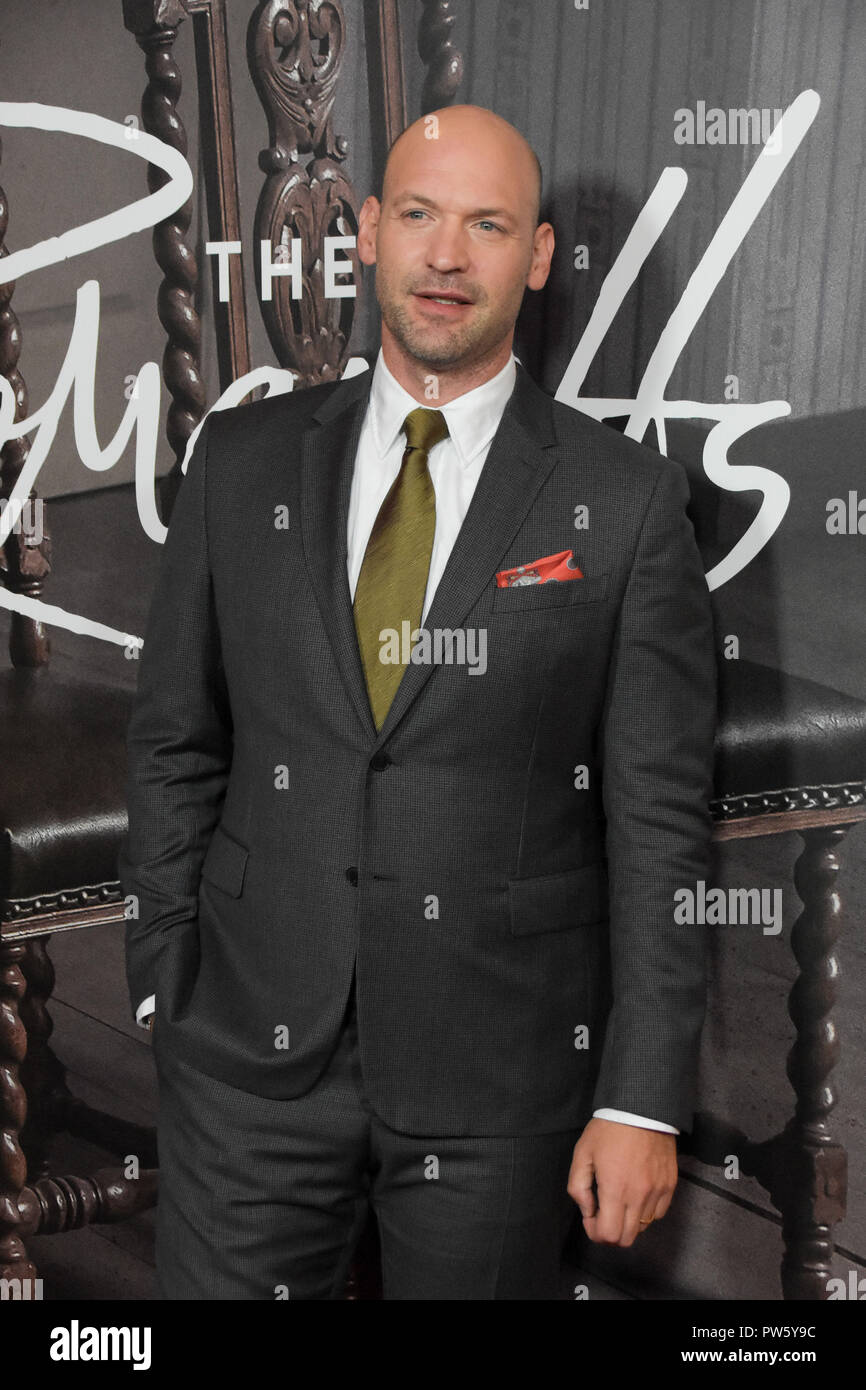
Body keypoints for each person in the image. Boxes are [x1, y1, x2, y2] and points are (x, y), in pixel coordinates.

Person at [118, 103, 717, 1300]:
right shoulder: (239, 467)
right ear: (368, 233)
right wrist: (159, 969)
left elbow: (656, 824)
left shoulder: (627, 505)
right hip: (245, 1051)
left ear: (536, 256)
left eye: (487, 225)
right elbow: (177, 744)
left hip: (497, 1072)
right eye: (420, 217)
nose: (446, 257)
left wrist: (641, 1091)